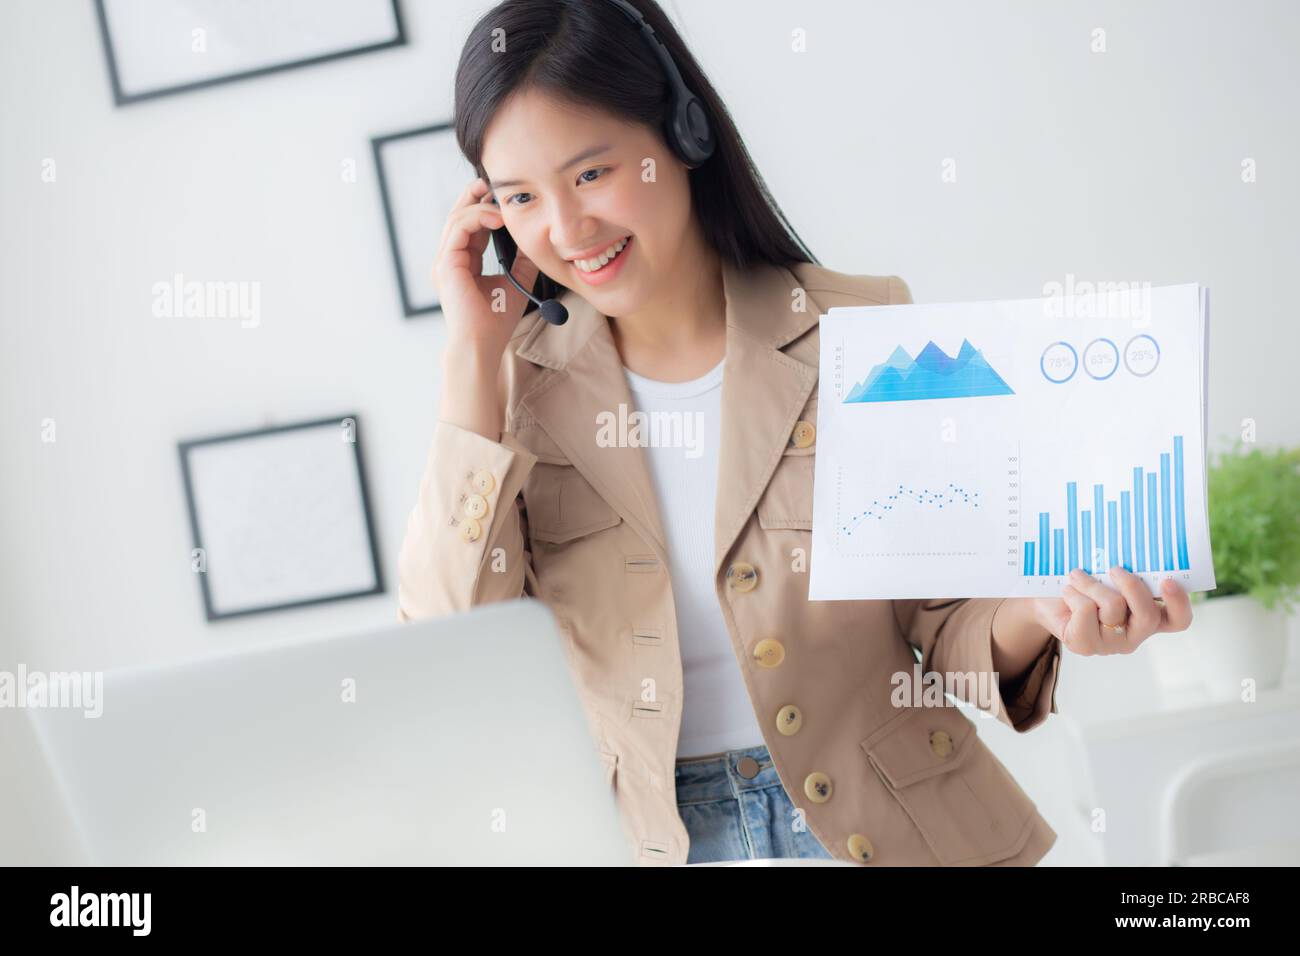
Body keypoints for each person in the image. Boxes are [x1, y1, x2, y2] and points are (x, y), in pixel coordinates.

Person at [398, 0, 1193, 866]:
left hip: (894, 833)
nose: (565, 229)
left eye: (591, 174)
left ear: (683, 134)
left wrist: (1038, 616)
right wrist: (471, 360)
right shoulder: (506, 392)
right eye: (520, 197)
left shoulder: (859, 325)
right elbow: (448, 644)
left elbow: (945, 624)